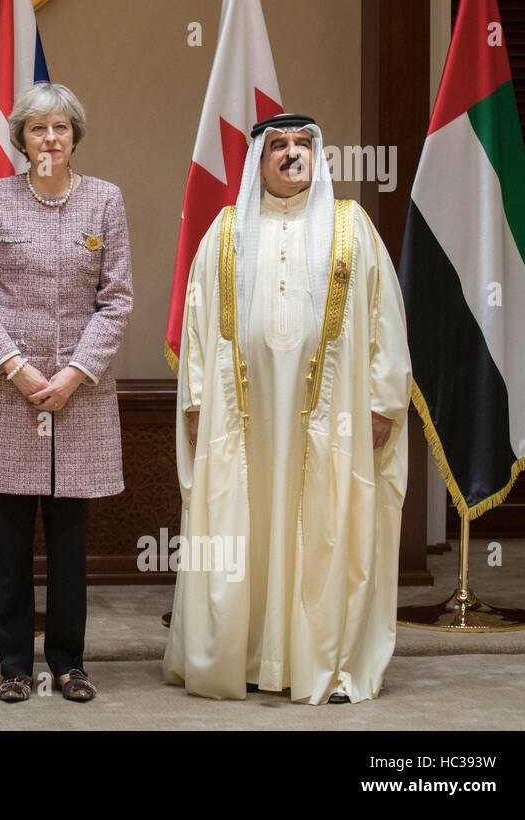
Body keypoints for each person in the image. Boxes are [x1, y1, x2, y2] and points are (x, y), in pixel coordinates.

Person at [163, 113, 411, 704]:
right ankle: (246, 655)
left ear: (317, 156)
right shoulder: (226, 230)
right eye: (278, 144)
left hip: (333, 417)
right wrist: (195, 402)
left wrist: (384, 401)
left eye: (303, 144)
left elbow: (386, 318)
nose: (292, 153)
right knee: (238, 527)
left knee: (326, 526)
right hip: (239, 417)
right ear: (260, 159)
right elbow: (197, 324)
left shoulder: (352, 226)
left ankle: (318, 659)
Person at [0, 82, 134, 703]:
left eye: (60, 128)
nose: (49, 138)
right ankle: (15, 668)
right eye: (37, 128)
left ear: (75, 137)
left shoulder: (105, 201)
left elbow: (117, 300)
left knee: (70, 544)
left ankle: (69, 665)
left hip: (80, 396)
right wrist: (17, 368)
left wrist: (75, 372)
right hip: (7, 395)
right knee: (10, 542)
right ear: (21, 140)